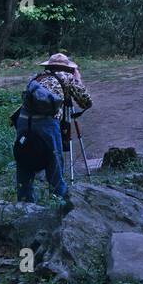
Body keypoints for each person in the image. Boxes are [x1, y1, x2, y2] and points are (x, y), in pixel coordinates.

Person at [13, 53, 92, 202]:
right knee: (54, 163)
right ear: (67, 68)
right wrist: (78, 80)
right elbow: (86, 102)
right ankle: (59, 201)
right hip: (46, 124)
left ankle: (24, 202)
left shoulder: (36, 77)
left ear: (48, 66)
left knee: (25, 158)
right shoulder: (67, 78)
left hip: (24, 121)